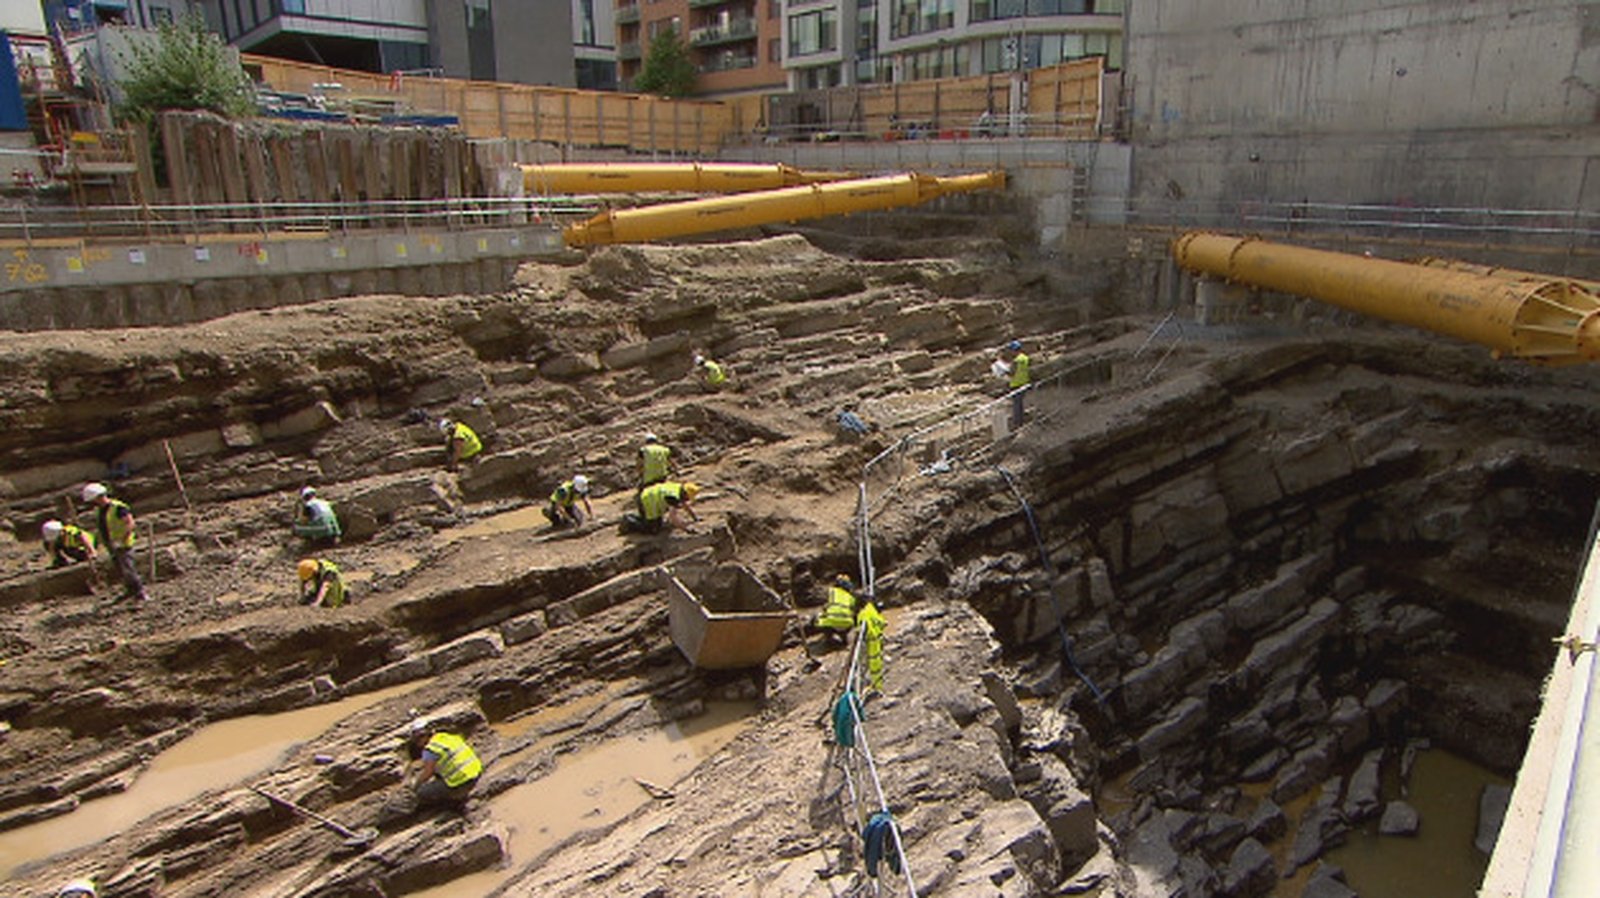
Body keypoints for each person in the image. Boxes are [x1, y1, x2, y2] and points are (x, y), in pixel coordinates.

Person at [82, 482, 149, 603]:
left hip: (123, 543)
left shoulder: (118, 507)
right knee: (120, 568)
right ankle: (130, 591)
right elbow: (101, 528)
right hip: (111, 543)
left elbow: (129, 523)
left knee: (128, 568)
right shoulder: (99, 511)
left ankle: (140, 593)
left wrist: (123, 538)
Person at [407, 719, 482, 809]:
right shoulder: (446, 737)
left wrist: (416, 785)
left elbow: (428, 772)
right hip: (475, 772)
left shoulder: (430, 749)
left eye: (418, 739)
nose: (418, 743)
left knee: (422, 793)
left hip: (461, 781)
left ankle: (452, 804)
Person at [622, 481, 700, 534]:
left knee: (658, 524)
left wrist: (694, 517)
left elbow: (684, 504)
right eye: (688, 498)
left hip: (650, 496)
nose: (688, 500)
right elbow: (673, 518)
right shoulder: (672, 497)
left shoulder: (678, 488)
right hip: (645, 500)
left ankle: (641, 519)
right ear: (685, 494)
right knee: (652, 530)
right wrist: (687, 530)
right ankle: (629, 521)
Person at [815, 574, 859, 644]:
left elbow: (824, 605)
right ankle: (844, 637)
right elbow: (854, 610)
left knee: (819, 616)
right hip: (846, 623)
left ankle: (829, 638)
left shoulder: (831, 591)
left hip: (831, 622)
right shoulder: (851, 597)